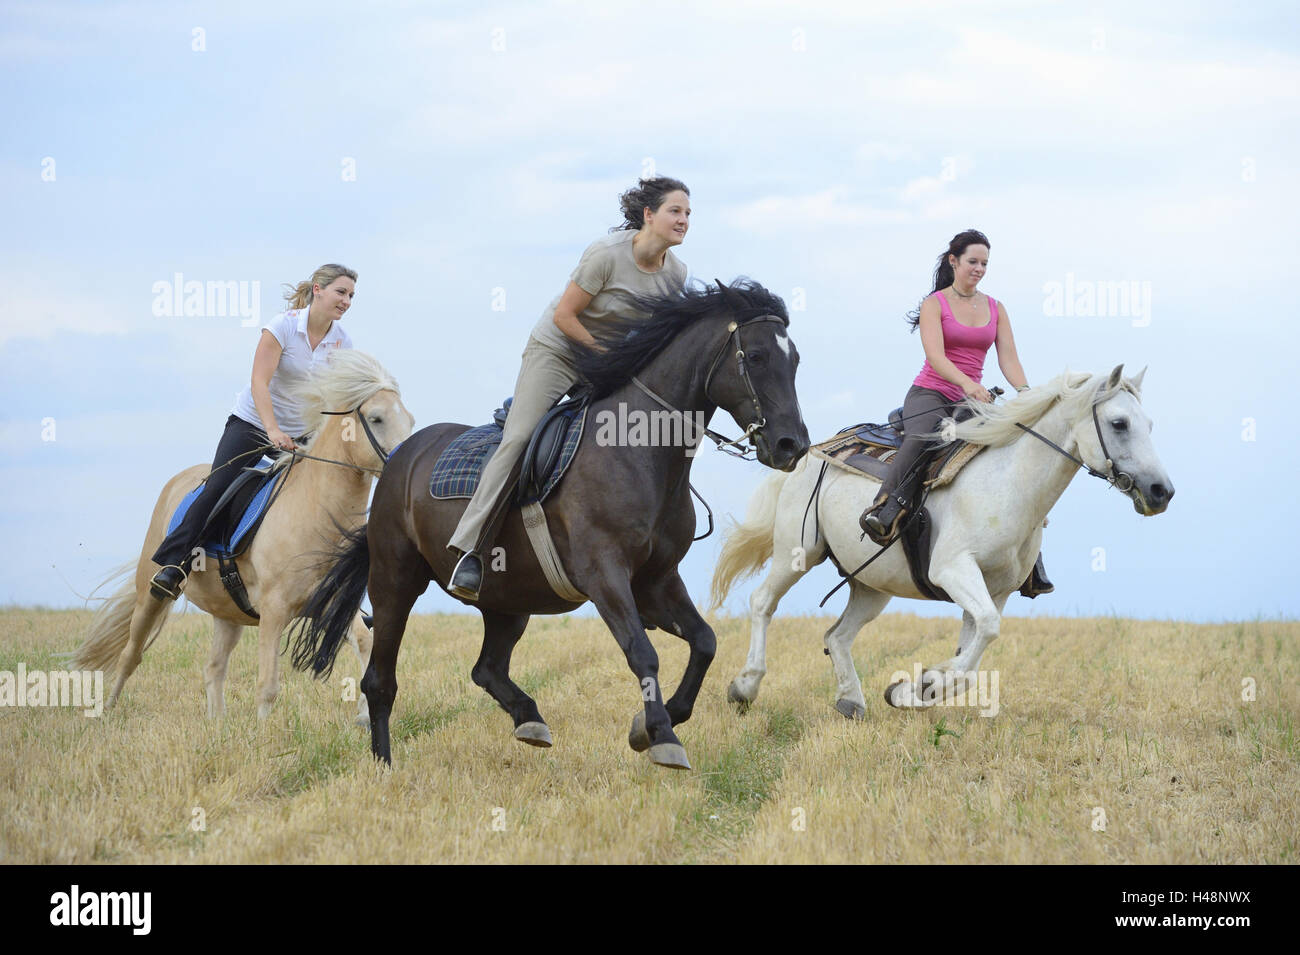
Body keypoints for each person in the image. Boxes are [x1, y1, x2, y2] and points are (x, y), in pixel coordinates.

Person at [446, 177, 692, 600]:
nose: (684, 220)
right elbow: (565, 316)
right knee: (520, 437)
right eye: (675, 211)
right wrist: (603, 358)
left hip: (610, 365)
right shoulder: (606, 254)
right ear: (649, 215)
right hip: (558, 351)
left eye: (688, 214)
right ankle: (470, 549)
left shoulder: (676, 275)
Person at [859, 229, 1053, 596]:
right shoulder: (936, 304)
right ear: (954, 261)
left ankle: (1029, 559)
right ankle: (884, 508)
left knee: (1012, 454)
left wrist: (1027, 394)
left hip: (972, 399)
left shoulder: (996, 308)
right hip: (931, 391)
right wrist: (967, 384)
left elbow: (1008, 358)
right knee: (923, 437)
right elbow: (936, 356)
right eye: (973, 262)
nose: (979, 269)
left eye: (984, 264)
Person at [148, 264, 357, 600]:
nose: (346, 301)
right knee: (219, 486)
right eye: (341, 292)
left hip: (300, 434)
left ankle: (338, 592)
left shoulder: (342, 342)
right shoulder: (283, 327)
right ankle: (176, 564)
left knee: (324, 497)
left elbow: (334, 399)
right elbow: (259, 382)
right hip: (254, 424)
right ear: (318, 289)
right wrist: (272, 430)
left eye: (350, 296)